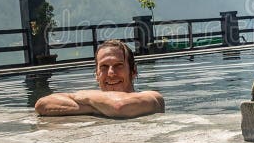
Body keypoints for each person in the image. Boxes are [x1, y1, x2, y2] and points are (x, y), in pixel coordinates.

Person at [34, 39, 164, 118]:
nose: (111, 73)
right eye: (104, 67)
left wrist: (84, 97)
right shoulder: (92, 99)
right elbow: (42, 104)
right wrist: (100, 107)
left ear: (133, 71)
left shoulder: (153, 98)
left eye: (118, 65)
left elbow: (119, 106)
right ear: (96, 74)